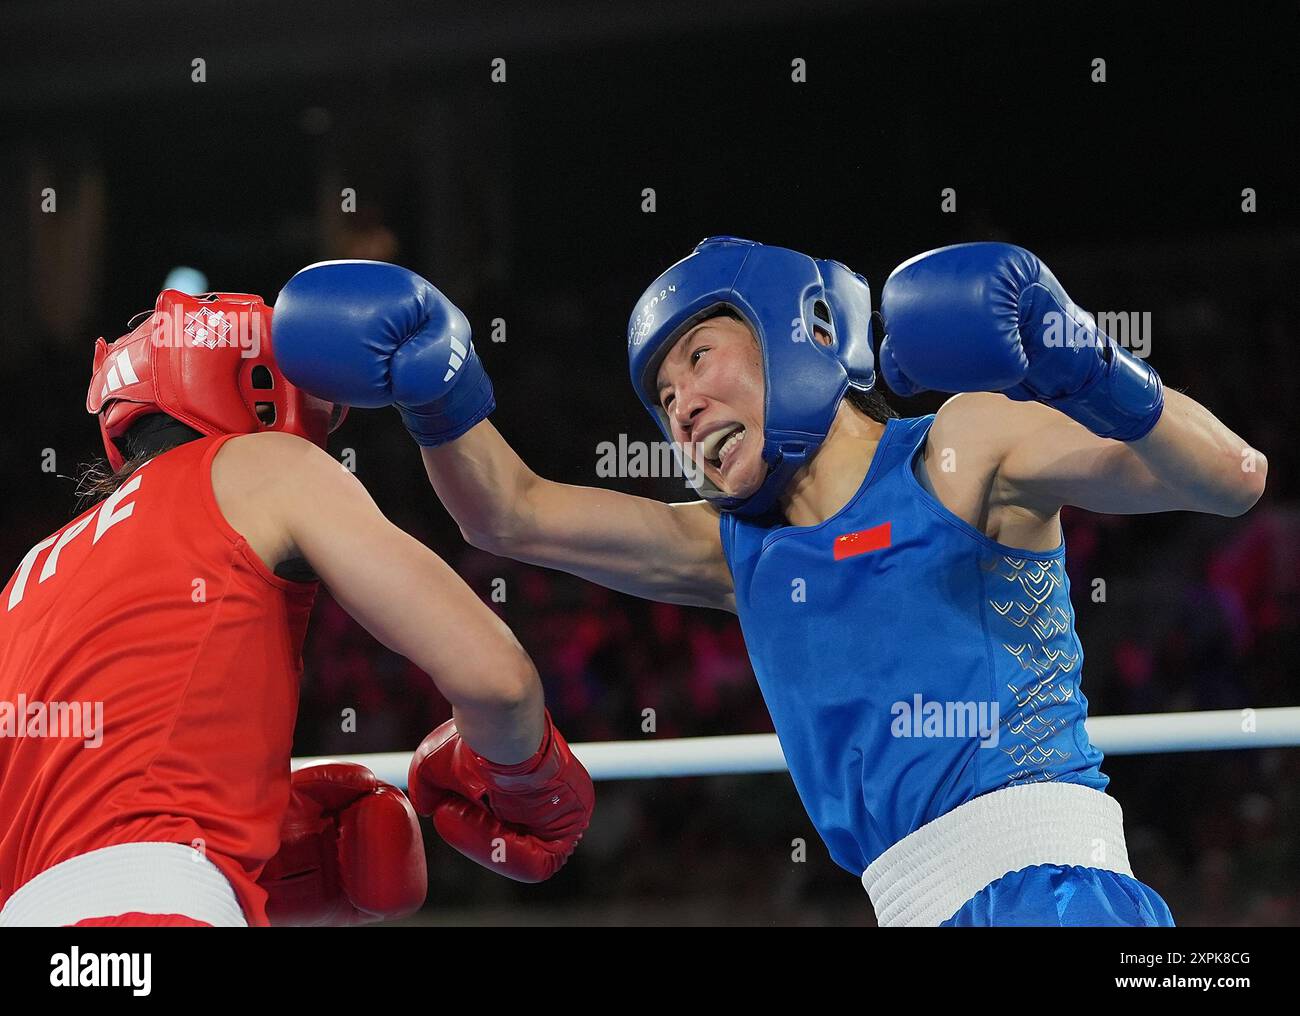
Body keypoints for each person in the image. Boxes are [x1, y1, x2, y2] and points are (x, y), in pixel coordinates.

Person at [270, 237, 1266, 926]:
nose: (683, 406)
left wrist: (1082, 360)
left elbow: (1228, 479)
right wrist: (438, 391)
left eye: (701, 355)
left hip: (1054, 893)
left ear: (804, 330)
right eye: (662, 396)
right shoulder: (735, 551)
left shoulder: (962, 446)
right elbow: (509, 511)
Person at [0, 289, 593, 927]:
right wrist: (527, 781)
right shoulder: (268, 466)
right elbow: (498, 681)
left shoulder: (24, 581)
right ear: (263, 388)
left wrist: (255, 855)